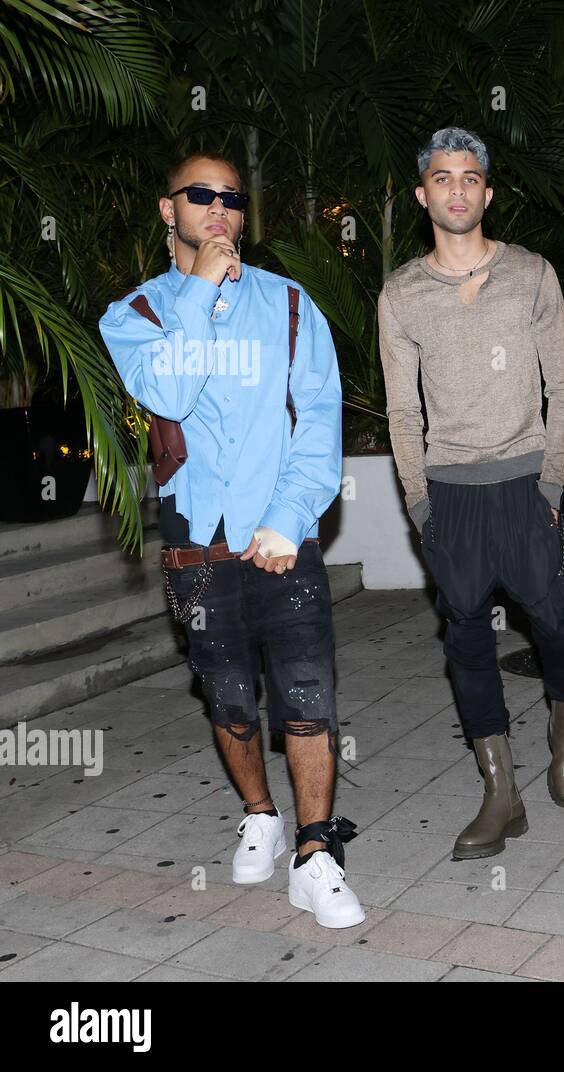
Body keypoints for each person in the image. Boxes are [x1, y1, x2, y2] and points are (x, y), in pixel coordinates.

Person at [100, 151, 362, 927]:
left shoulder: (288, 304)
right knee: (229, 698)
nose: (219, 207)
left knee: (309, 693)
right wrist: (201, 288)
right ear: (167, 210)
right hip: (196, 544)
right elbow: (170, 391)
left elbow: (319, 418)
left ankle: (315, 853)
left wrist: (291, 516)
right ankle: (260, 813)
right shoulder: (137, 316)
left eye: (232, 197)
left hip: (282, 534)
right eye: (201, 195)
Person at [377, 127, 564, 860]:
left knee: (557, 626)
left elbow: (563, 386)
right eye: (443, 178)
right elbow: (402, 411)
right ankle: (501, 790)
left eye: (470, 178)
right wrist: (419, 503)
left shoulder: (531, 274)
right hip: (451, 494)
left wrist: (553, 481)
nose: (457, 190)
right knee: (466, 641)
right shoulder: (401, 294)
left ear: (487, 192)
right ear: (423, 194)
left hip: (527, 482)